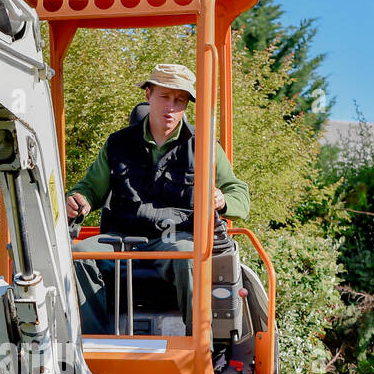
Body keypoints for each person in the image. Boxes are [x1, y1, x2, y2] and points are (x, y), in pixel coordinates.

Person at [66, 63, 249, 334]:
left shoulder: (204, 145)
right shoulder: (118, 144)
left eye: (180, 101)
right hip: (121, 241)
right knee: (77, 254)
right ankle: (92, 343)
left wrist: (221, 199)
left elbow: (240, 195)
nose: (171, 107)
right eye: (165, 97)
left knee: (189, 255)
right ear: (148, 94)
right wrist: (78, 199)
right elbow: (90, 189)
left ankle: (198, 346)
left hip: (175, 239)